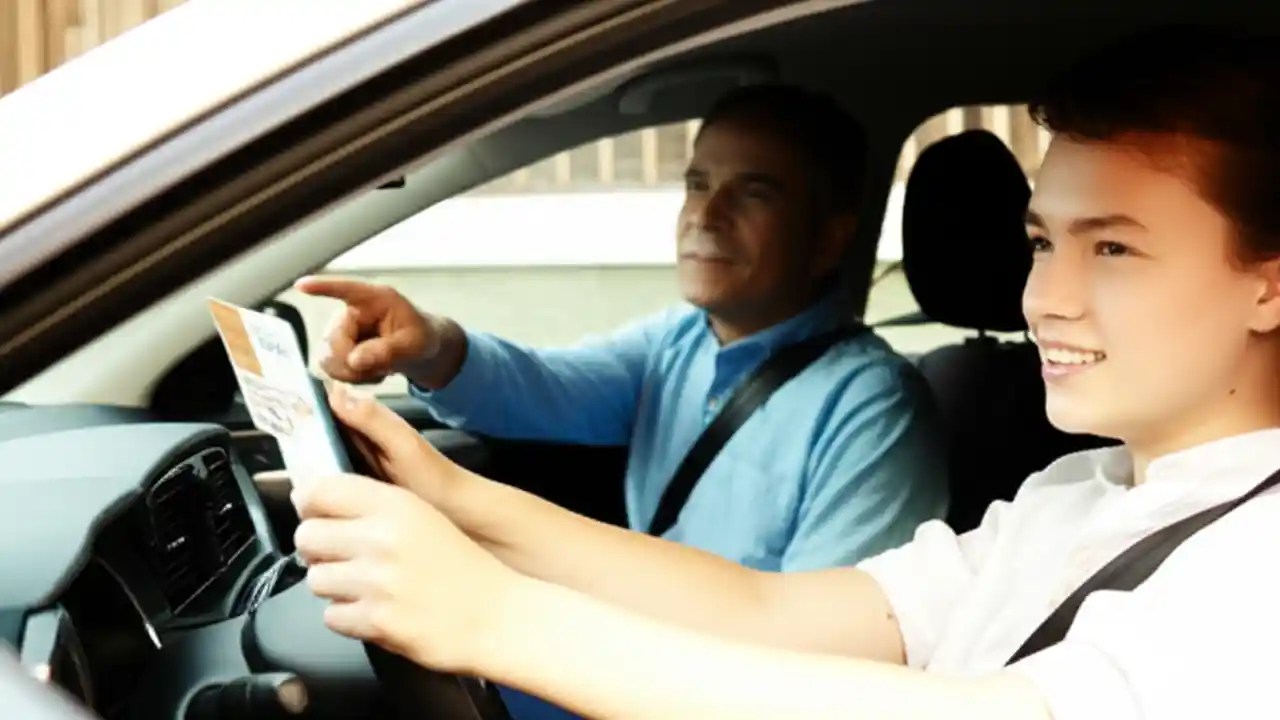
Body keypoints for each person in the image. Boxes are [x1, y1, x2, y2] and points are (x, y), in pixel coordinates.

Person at [292, 25, 1280, 718]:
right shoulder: (1073, 492)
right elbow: (774, 612)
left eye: (1110, 250)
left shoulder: (1256, 562)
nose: (1044, 300)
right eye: (1039, 245)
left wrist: (495, 616)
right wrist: (456, 498)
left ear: (1267, 288)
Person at [297, 83, 948, 574]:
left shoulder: (873, 408)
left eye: (755, 193)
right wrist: (431, 343)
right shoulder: (676, 341)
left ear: (831, 237)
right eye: (698, 183)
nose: (706, 215)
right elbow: (546, 386)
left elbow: (829, 662)